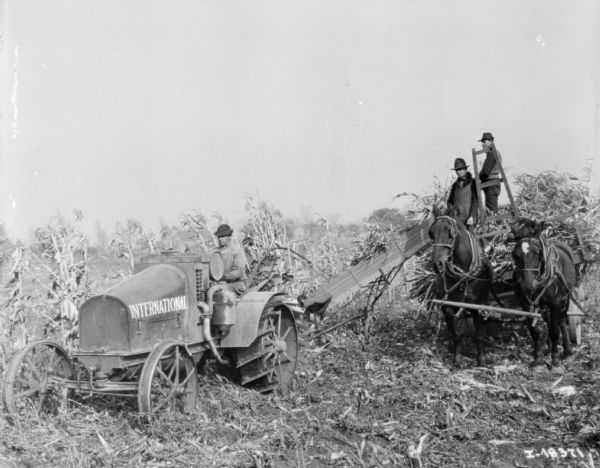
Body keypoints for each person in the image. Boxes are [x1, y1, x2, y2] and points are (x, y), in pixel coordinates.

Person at [214, 223, 248, 294]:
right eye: (219, 237)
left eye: (223, 236)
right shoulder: (217, 251)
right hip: (222, 282)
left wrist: (224, 277)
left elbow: (238, 272)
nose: (220, 239)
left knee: (218, 292)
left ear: (229, 237)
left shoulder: (236, 250)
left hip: (237, 284)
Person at [447, 157, 478, 227]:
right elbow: (449, 201)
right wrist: (451, 211)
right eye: (457, 170)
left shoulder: (472, 182)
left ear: (465, 169)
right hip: (458, 222)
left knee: (472, 236)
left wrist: (472, 216)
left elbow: (475, 201)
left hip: (470, 220)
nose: (458, 172)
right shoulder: (455, 185)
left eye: (460, 169)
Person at [478, 132, 502, 213]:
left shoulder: (491, 153)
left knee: (491, 212)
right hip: (493, 184)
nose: (483, 144)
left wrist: (479, 177)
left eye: (484, 142)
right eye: (482, 142)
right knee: (492, 209)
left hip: (491, 184)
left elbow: (485, 172)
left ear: (490, 141)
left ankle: (497, 224)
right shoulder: (495, 152)